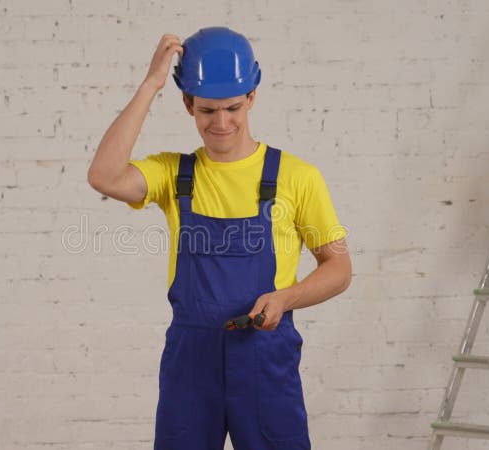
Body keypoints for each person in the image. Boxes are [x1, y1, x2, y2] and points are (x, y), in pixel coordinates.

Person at [88, 27, 352, 450]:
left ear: (251, 97)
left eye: (233, 107)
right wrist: (151, 84)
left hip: (265, 359)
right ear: (188, 103)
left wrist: (285, 299)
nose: (222, 123)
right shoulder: (175, 175)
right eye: (208, 111)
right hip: (192, 362)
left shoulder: (298, 177)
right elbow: (103, 175)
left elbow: (339, 269)